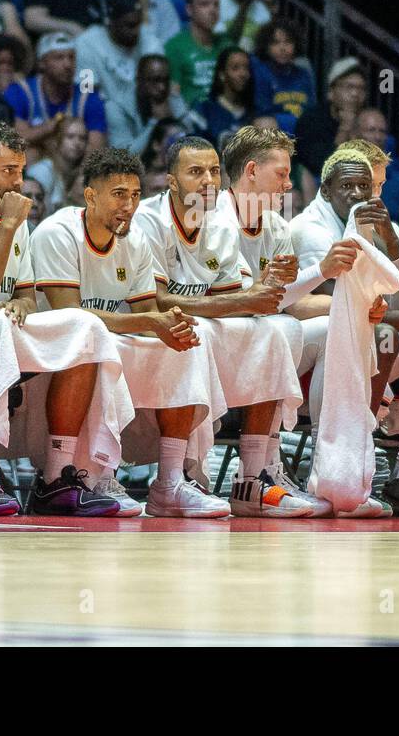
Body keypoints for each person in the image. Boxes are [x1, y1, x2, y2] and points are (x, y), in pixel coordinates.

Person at [0, 121, 127, 517]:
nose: (18, 181)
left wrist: (23, 306)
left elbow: (26, 295)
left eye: (21, 169)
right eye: (8, 171)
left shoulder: (13, 208)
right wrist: (10, 226)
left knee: (84, 326)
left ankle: (57, 475)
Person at [31, 147, 230, 517]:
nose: (130, 205)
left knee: (188, 344)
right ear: (90, 196)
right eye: (118, 195)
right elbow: (68, 314)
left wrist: (172, 327)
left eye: (136, 195)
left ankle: (171, 481)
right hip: (51, 345)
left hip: (105, 338)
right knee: (91, 334)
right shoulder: (57, 232)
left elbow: (145, 312)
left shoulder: (135, 241)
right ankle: (83, 476)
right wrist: (151, 322)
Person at [215, 125, 387, 517]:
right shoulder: (218, 221)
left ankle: (334, 471)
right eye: (281, 173)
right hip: (212, 338)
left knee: (335, 331)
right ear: (252, 171)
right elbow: (255, 301)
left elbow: (277, 297)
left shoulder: (275, 224)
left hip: (254, 334)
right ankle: (254, 477)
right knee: (279, 329)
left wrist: (356, 305)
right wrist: (323, 270)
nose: (289, 183)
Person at [135, 136, 312, 517]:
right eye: (195, 172)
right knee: (188, 331)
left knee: (273, 331)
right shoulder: (149, 221)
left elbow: (236, 299)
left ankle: (253, 478)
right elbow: (157, 302)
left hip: (192, 325)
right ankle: (172, 480)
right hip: (138, 327)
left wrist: (264, 289)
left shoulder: (219, 225)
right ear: (171, 181)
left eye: (214, 171)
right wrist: (247, 300)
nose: (209, 181)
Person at [291, 146, 399, 517]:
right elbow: (333, 309)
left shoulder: (385, 224)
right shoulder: (311, 229)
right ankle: (343, 467)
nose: (360, 195)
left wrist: (390, 241)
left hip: (372, 344)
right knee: (377, 335)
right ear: (326, 189)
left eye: (369, 187)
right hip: (314, 355)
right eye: (349, 186)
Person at [4, 31, 107, 153]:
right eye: (59, 58)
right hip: (34, 165)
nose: (67, 64)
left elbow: (96, 148)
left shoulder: (87, 97)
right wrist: (49, 128)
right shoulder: (21, 91)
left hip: (73, 167)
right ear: (42, 63)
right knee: (31, 151)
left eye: (71, 57)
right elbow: (13, 140)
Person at [74, 0, 164, 123]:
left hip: (144, 112)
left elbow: (160, 89)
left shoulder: (150, 41)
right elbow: (86, 94)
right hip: (105, 118)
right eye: (130, 25)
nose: (136, 31)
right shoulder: (87, 44)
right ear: (109, 22)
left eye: (139, 23)